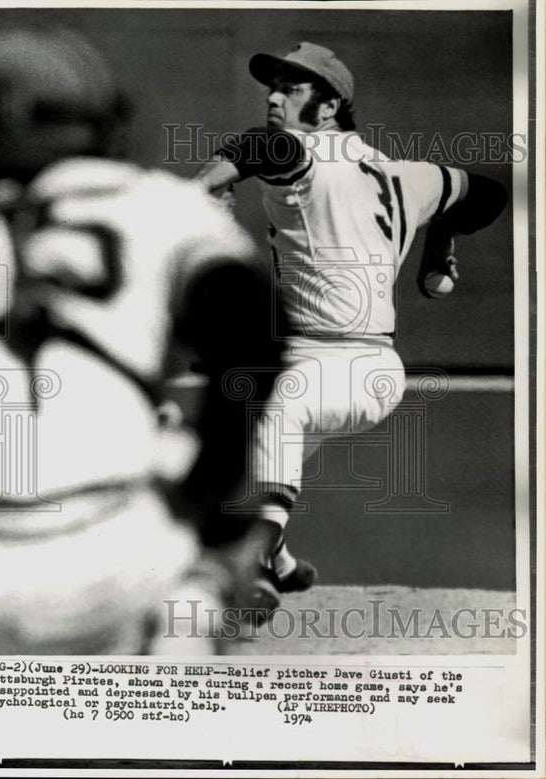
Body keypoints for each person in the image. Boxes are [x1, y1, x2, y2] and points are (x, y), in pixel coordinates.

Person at [0, 27, 282, 653]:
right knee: (184, 463)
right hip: (109, 557)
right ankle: (189, 616)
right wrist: (211, 498)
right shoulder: (155, 203)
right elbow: (251, 326)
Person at [195, 41, 509, 615]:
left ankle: (256, 557)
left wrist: (211, 179)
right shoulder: (410, 176)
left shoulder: (306, 153)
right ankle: (280, 562)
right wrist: (441, 236)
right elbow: (487, 194)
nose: (274, 97)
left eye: (292, 88)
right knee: (233, 462)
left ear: (330, 107)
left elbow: (261, 145)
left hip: (344, 365)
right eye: (273, 86)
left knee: (273, 409)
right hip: (339, 367)